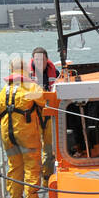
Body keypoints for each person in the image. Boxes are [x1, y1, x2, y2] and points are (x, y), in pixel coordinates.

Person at [0, 56, 47, 198]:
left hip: (7, 135)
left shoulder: (4, 90)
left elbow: (0, 107)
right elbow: (45, 102)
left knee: (14, 166)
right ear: (26, 70)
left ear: (11, 70)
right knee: (32, 162)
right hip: (26, 133)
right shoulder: (31, 87)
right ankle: (32, 195)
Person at [27, 47, 59, 184]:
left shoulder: (55, 72)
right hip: (32, 116)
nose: (40, 62)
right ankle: (32, 184)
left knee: (50, 150)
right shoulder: (26, 75)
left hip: (49, 115)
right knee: (32, 152)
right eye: (37, 60)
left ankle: (47, 180)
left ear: (47, 59)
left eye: (43, 59)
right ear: (33, 60)